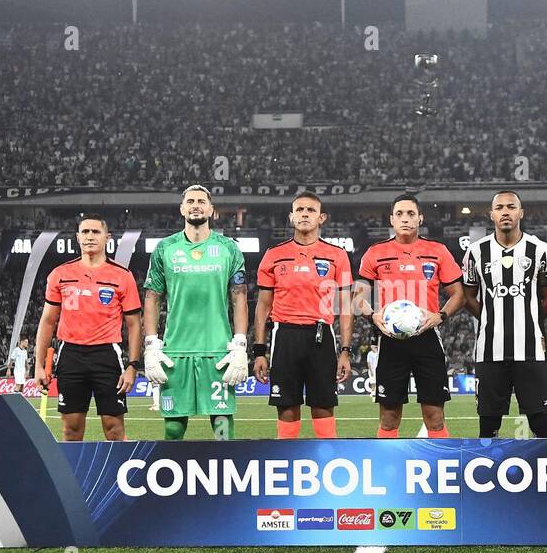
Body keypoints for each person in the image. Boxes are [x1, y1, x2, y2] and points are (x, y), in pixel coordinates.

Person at [142, 185, 249, 441]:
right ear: (182, 208)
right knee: (173, 428)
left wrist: (240, 343)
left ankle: (225, 474)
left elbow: (239, 296)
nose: (196, 205)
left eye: (202, 201)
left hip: (218, 350)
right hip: (176, 351)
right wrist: (151, 345)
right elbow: (152, 297)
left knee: (223, 427)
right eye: (190, 201)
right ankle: (172, 477)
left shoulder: (228, 248)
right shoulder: (165, 248)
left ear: (211, 209)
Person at [354, 193, 465, 438]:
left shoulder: (437, 251)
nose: (405, 219)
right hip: (390, 342)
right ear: (391, 219)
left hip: (427, 339)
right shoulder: (375, 252)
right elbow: (356, 297)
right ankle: (387, 470)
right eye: (400, 214)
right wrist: (373, 315)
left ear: (420, 218)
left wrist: (440, 316)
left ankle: (440, 468)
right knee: (389, 417)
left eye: (411, 214)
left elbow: (459, 294)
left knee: (434, 417)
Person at [252, 191, 354, 438]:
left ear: (322, 217)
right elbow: (263, 306)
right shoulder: (274, 255)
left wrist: (345, 351)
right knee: (286, 409)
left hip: (321, 337)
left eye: (310, 210)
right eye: (299, 210)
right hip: (285, 336)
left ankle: (328, 466)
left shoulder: (337, 255)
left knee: (323, 408)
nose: (305, 214)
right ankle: (288, 469)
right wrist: (259, 352)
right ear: (291, 217)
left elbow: (345, 307)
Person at [34, 214, 142, 441]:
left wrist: (132, 365)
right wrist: (38, 364)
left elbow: (134, 324)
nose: (90, 237)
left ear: (107, 238)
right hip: (70, 355)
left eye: (96, 232)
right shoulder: (60, 274)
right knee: (71, 430)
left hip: (107, 355)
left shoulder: (123, 276)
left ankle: (116, 476)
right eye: (85, 232)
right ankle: (73, 477)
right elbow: (47, 321)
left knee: (114, 428)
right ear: (77, 238)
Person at [461, 190, 547, 438]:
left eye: (511, 207)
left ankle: (545, 472)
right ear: (491, 214)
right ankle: (487, 471)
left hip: (530, 350)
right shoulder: (475, 251)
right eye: (500, 207)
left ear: (520, 213)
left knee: (540, 422)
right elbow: (468, 296)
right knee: (488, 424)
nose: (506, 212)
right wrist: (489, 318)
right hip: (489, 350)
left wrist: (531, 318)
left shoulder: (540, 250)